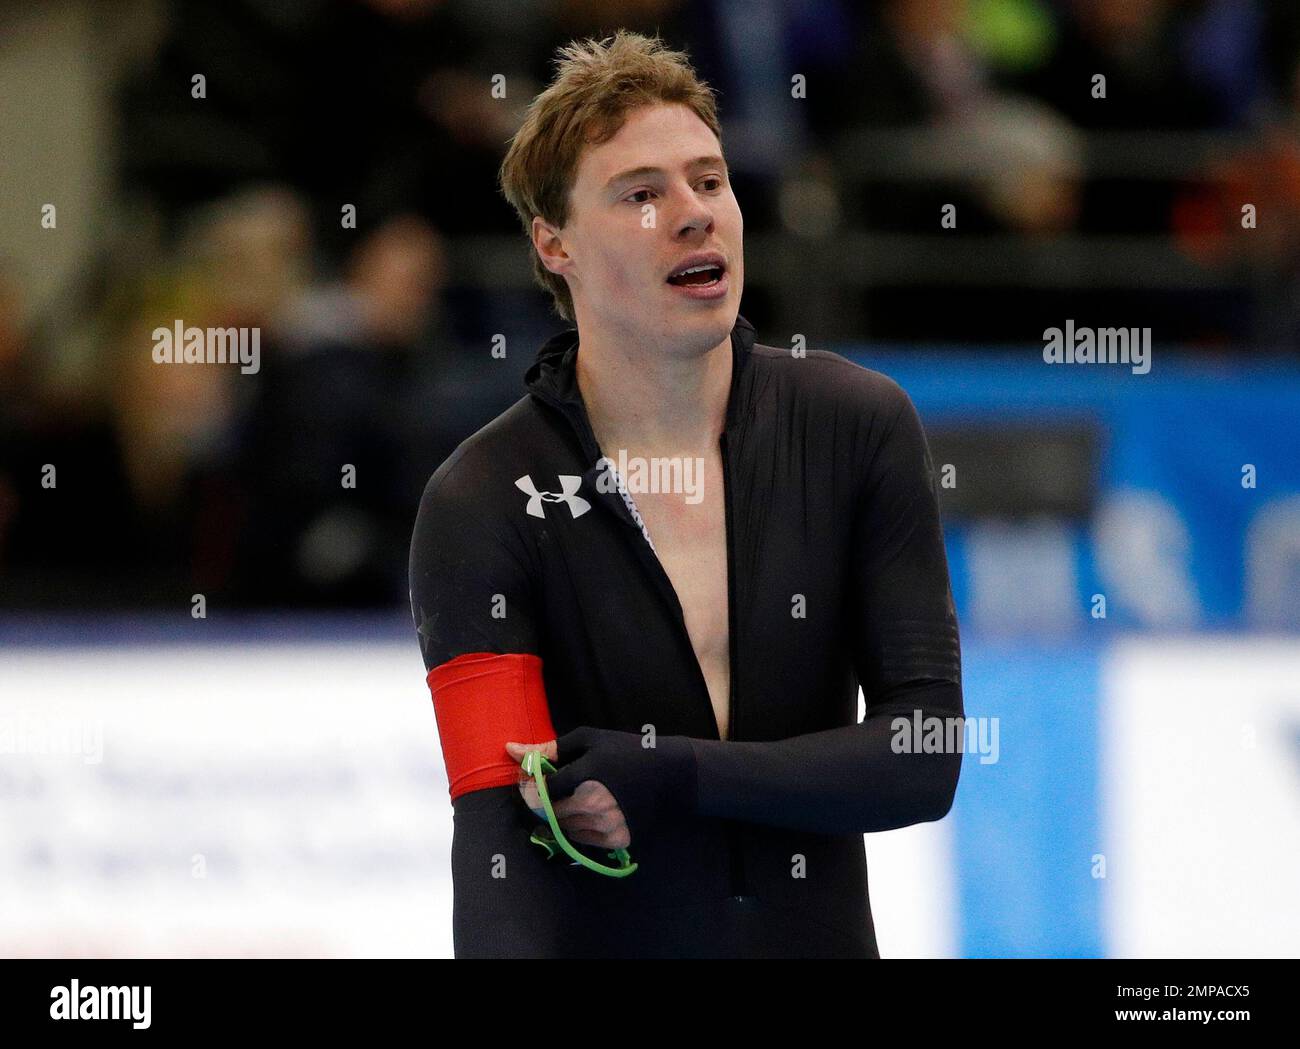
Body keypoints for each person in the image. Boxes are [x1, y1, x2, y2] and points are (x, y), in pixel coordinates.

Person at [408, 30, 963, 958]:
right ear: (554, 243)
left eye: (710, 180)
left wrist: (679, 774)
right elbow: (497, 843)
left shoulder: (853, 427)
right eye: (641, 194)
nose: (695, 214)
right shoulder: (485, 500)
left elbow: (927, 755)